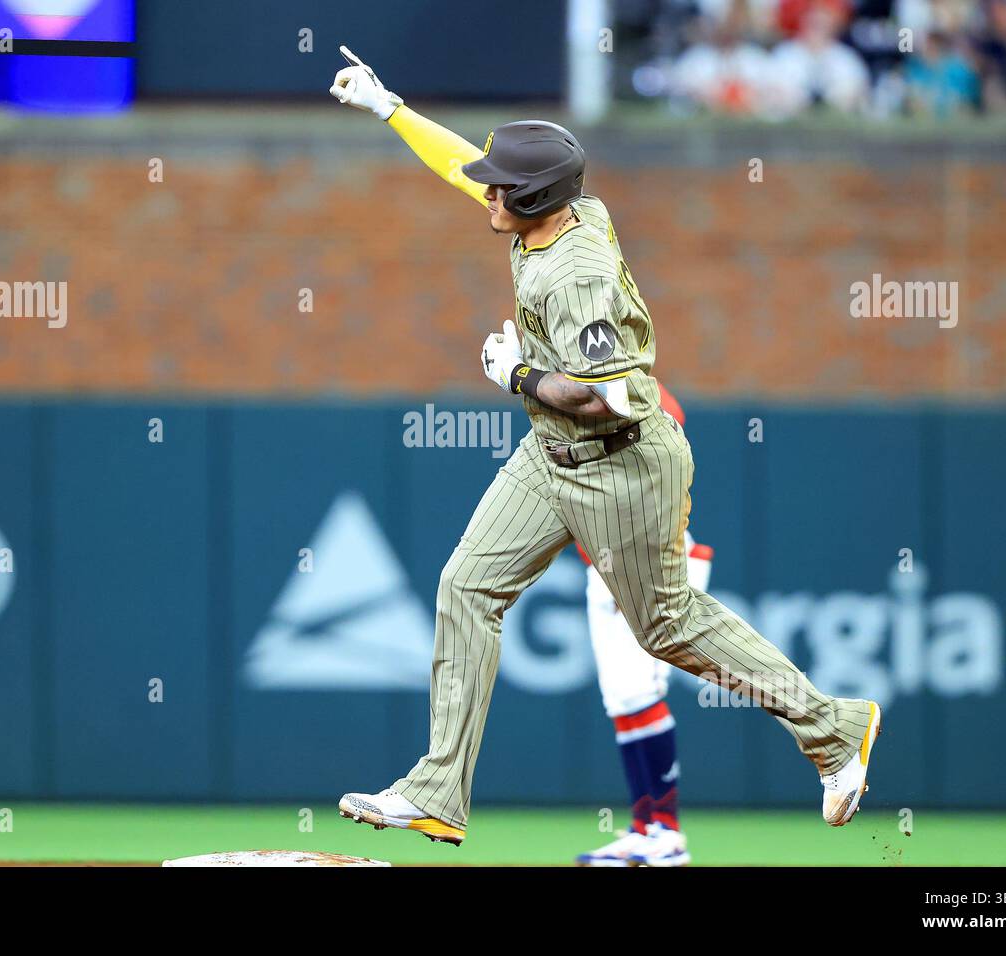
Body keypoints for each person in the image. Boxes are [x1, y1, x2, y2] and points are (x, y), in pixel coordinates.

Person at [328, 49, 880, 848]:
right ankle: (437, 791)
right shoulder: (563, 209)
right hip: (550, 455)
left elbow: (607, 395)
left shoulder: (576, 274)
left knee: (666, 628)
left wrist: (513, 373)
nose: (484, 188)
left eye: (500, 184)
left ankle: (833, 728)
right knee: (466, 587)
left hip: (622, 460)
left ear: (535, 198)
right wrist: (392, 108)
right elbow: (463, 171)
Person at [574, 382, 711, 867]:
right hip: (606, 566)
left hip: (651, 559)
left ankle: (668, 834)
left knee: (642, 693)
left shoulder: (632, 387)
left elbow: (664, 442)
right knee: (623, 698)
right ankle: (644, 828)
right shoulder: (564, 394)